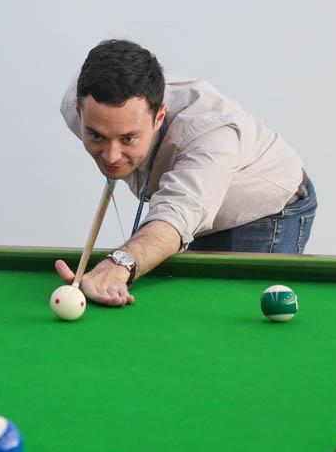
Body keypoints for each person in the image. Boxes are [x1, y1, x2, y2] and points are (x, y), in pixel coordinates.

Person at [56, 39, 314, 306]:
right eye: (96, 135)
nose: (111, 156)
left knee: (231, 311)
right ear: (79, 110)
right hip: (193, 202)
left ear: (159, 118)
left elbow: (177, 216)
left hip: (268, 210)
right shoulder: (80, 103)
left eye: (128, 138)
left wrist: (119, 264)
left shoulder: (210, 133)